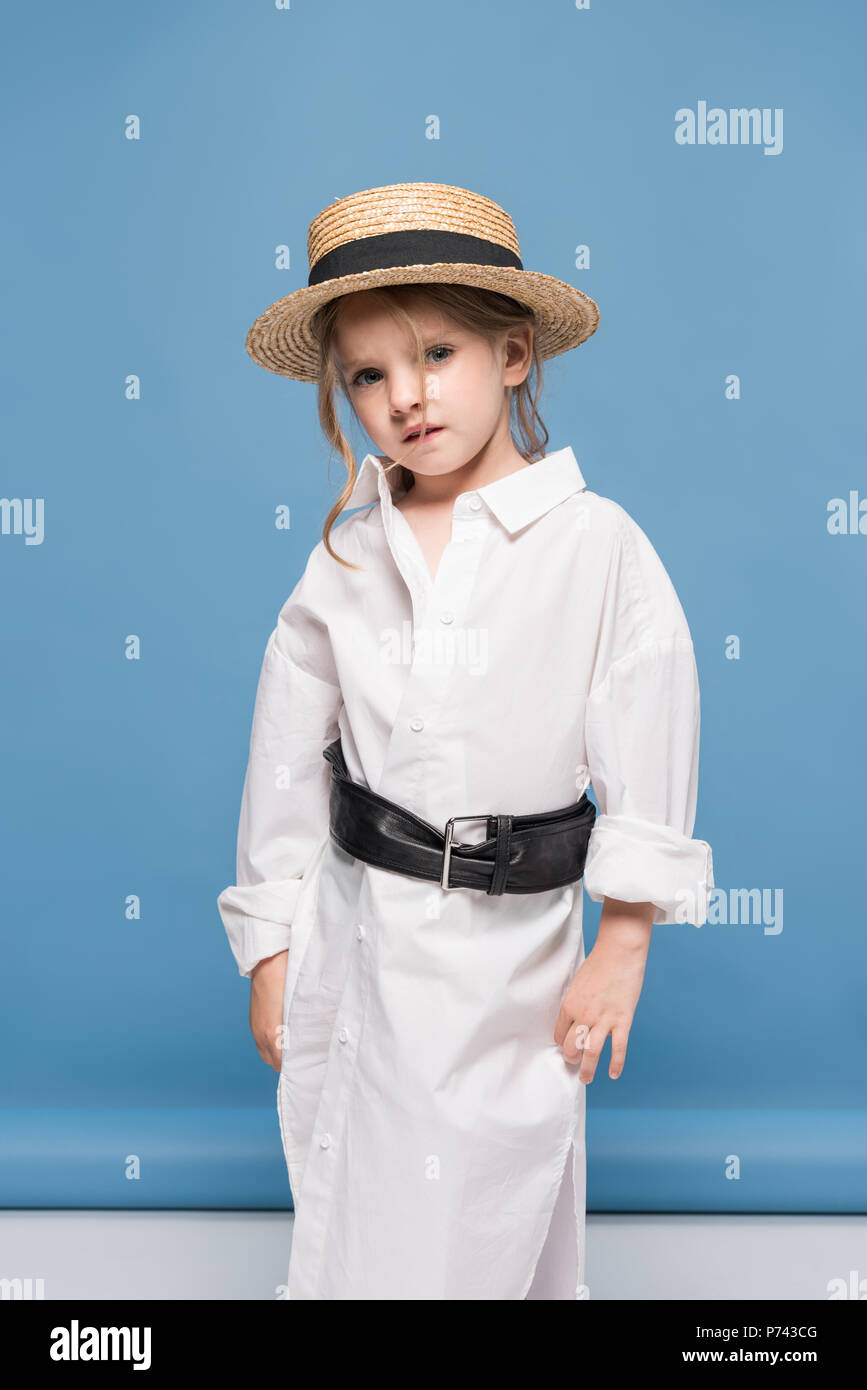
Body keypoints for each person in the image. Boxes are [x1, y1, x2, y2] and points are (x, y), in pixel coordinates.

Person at [217, 181, 714, 1301]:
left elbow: (648, 733)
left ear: (516, 353)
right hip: (365, 932)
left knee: (498, 1187)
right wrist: (268, 941)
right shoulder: (347, 557)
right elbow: (287, 760)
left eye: (437, 353)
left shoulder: (593, 547)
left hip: (518, 948)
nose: (407, 397)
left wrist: (623, 941)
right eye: (369, 375)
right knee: (375, 1203)